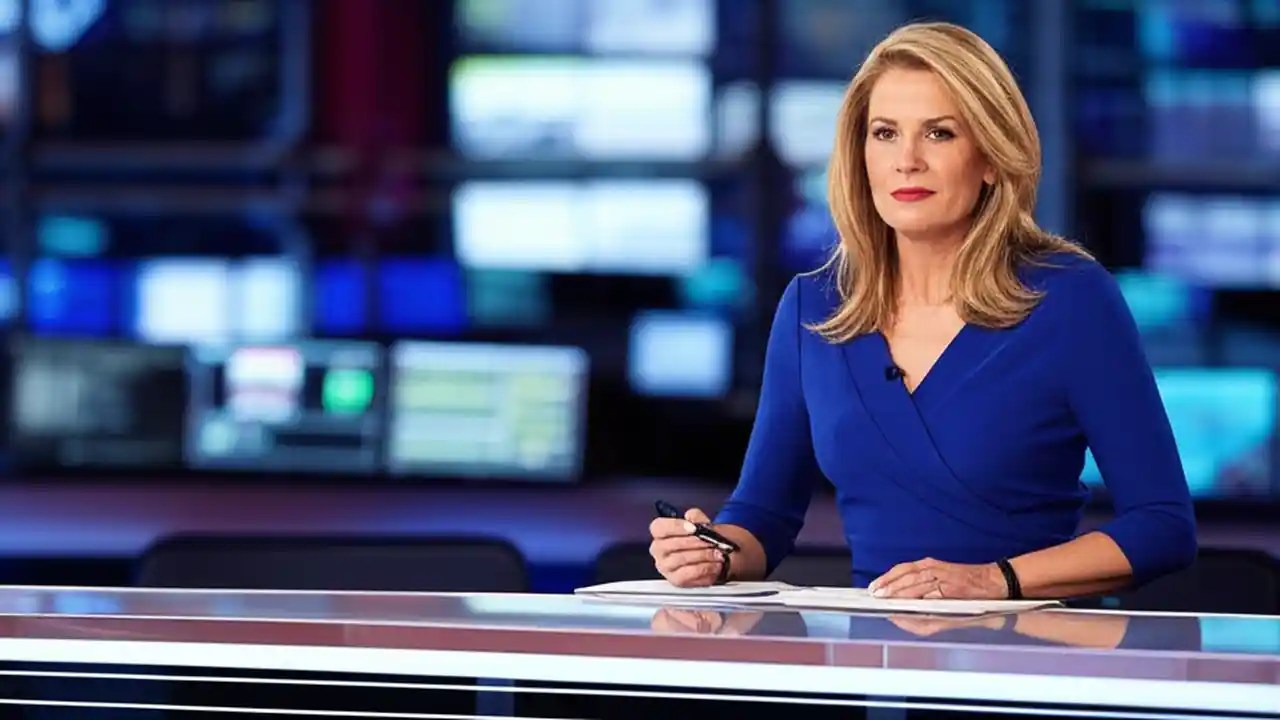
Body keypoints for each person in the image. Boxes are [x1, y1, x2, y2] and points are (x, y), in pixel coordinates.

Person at [648, 22, 1196, 599]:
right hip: (879, 665)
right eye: (884, 134)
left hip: (1031, 658)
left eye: (938, 133)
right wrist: (712, 553)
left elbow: (1161, 526)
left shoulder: (1070, 300)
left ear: (989, 157)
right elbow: (762, 517)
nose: (906, 160)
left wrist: (995, 581)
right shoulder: (815, 307)